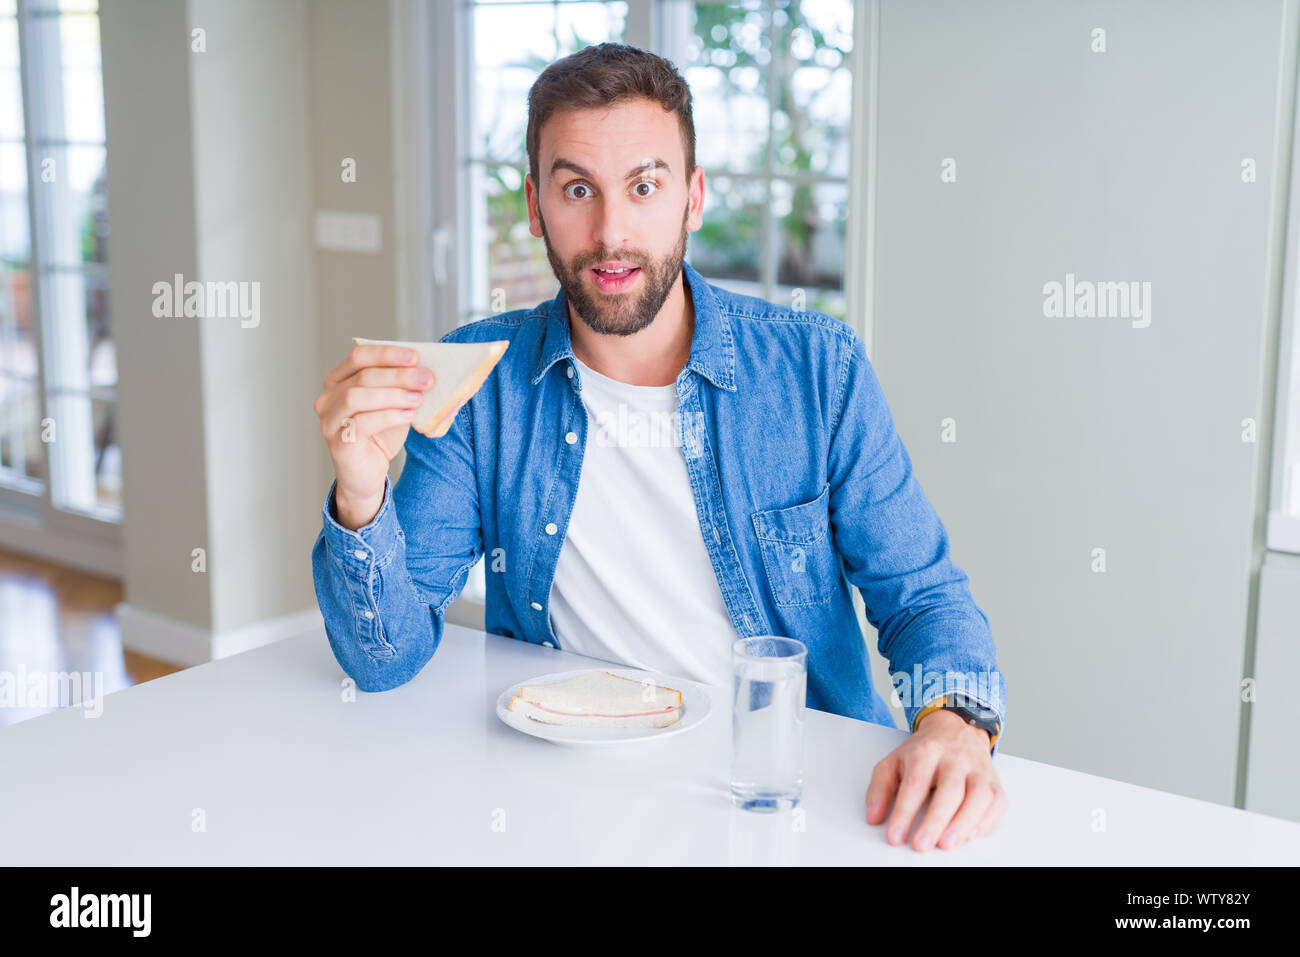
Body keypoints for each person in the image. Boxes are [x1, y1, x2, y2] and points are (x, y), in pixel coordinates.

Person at [311, 43, 1006, 853]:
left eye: (644, 186)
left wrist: (959, 722)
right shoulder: (481, 383)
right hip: (555, 801)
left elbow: (922, 597)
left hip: (783, 801)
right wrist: (361, 491)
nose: (612, 232)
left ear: (693, 197)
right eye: (578, 190)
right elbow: (383, 660)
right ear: (536, 207)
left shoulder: (820, 370)